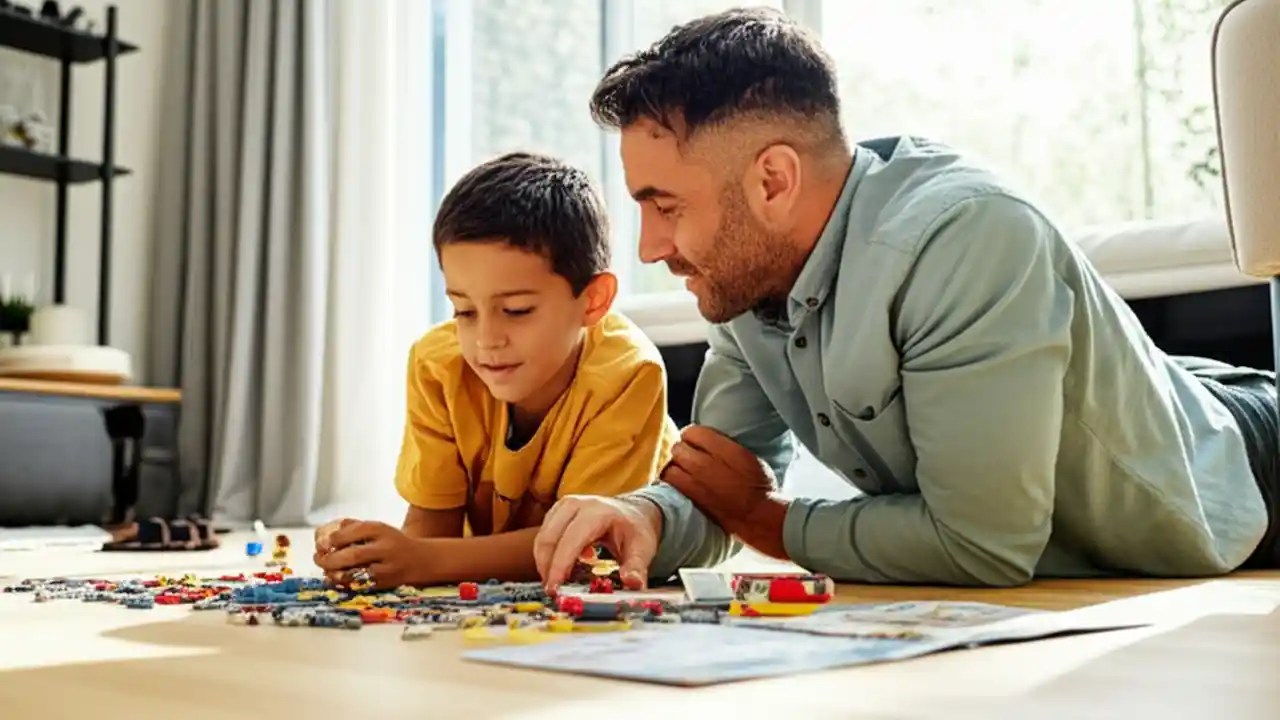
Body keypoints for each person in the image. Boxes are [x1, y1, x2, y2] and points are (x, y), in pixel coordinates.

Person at [532, 7, 1279, 591]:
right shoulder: (742, 275)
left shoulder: (963, 238)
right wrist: (644, 517)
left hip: (1242, 468)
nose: (648, 248)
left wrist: (772, 521)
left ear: (772, 181)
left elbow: (981, 545)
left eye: (665, 205)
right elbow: (724, 484)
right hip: (1164, 402)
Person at [315, 152, 679, 589]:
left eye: (516, 310)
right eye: (463, 310)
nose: (486, 339)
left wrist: (426, 560)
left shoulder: (628, 374)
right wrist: (373, 551)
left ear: (593, 301)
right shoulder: (439, 365)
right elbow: (432, 532)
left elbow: (587, 548)